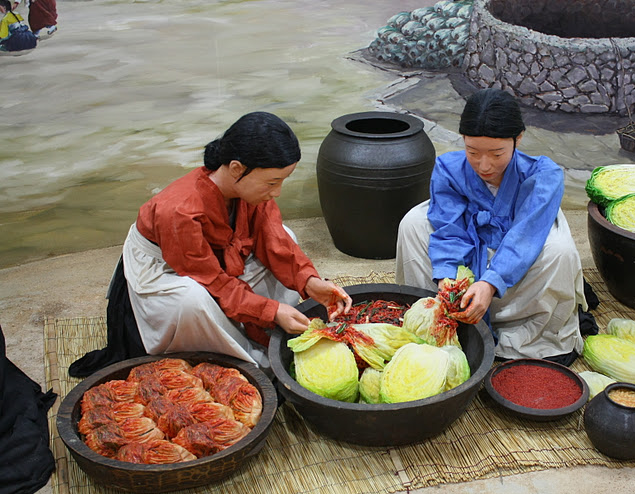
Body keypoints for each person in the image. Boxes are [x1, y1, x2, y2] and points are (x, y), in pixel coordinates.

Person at [72, 112, 352, 377]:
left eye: (282, 182)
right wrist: (271, 310)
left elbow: (275, 241)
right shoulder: (179, 210)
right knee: (191, 300)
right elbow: (211, 281)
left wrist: (310, 282)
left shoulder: (250, 190)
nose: (276, 192)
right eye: (272, 183)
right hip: (170, 269)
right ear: (236, 168)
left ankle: (270, 329)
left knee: (287, 235)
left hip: (218, 260)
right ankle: (247, 355)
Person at [396, 88, 587, 365]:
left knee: (560, 251)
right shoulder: (449, 168)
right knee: (413, 223)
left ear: (518, 138)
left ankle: (526, 340)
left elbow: (526, 236)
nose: (484, 165)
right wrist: (448, 276)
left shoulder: (544, 176)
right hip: (468, 243)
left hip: (520, 247)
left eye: (496, 154)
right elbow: (448, 227)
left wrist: (490, 282)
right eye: (472, 152)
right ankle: (436, 319)